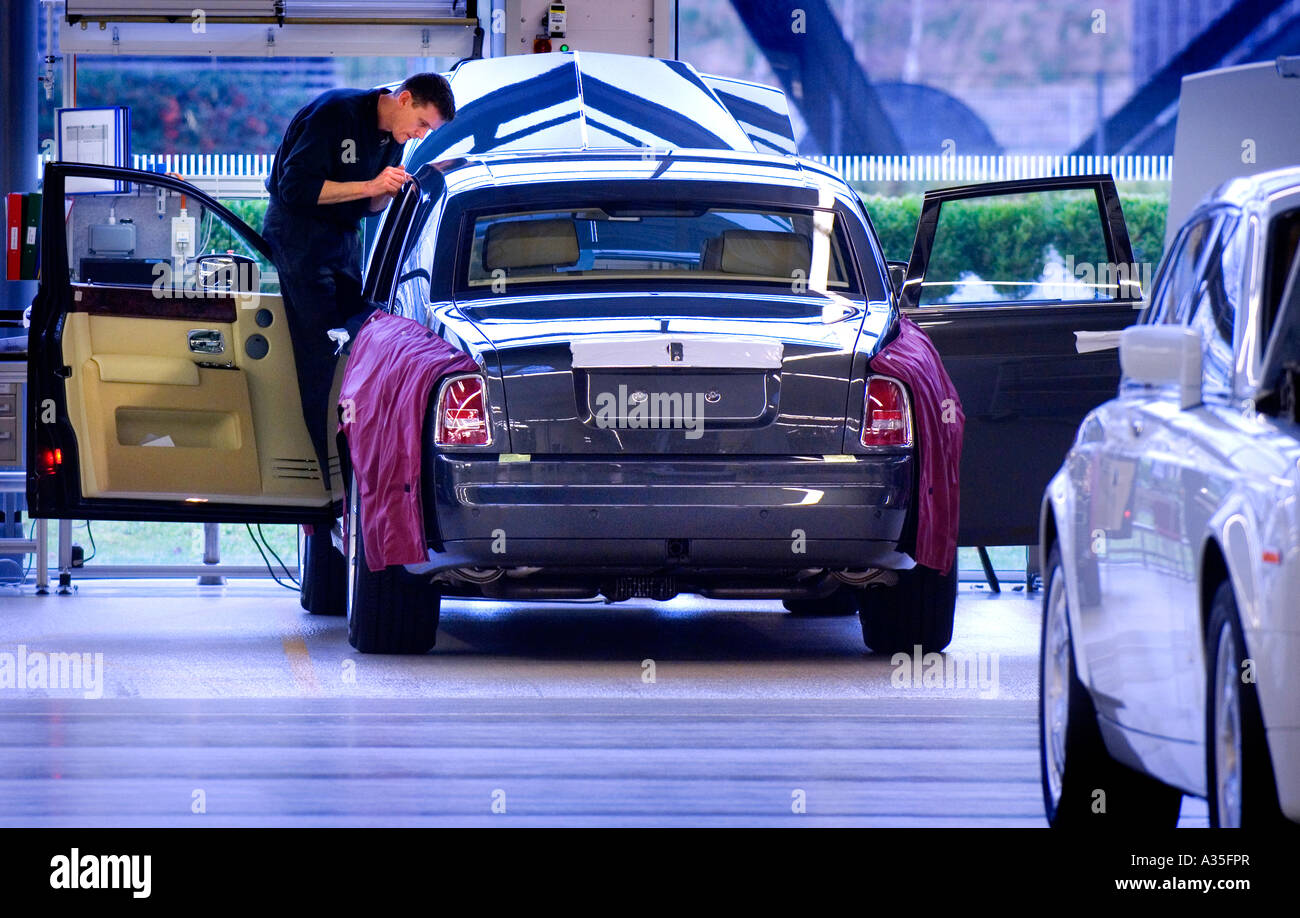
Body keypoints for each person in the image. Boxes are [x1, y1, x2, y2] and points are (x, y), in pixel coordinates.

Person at [262, 72, 455, 484]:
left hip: (342, 239)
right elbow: (293, 188)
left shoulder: (392, 141)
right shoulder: (335, 113)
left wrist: (383, 194)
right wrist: (370, 184)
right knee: (317, 351)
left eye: (427, 132)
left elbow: (367, 208)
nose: (419, 135)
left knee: (362, 332)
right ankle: (319, 474)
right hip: (299, 235)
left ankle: (358, 456)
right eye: (421, 124)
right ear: (404, 99)